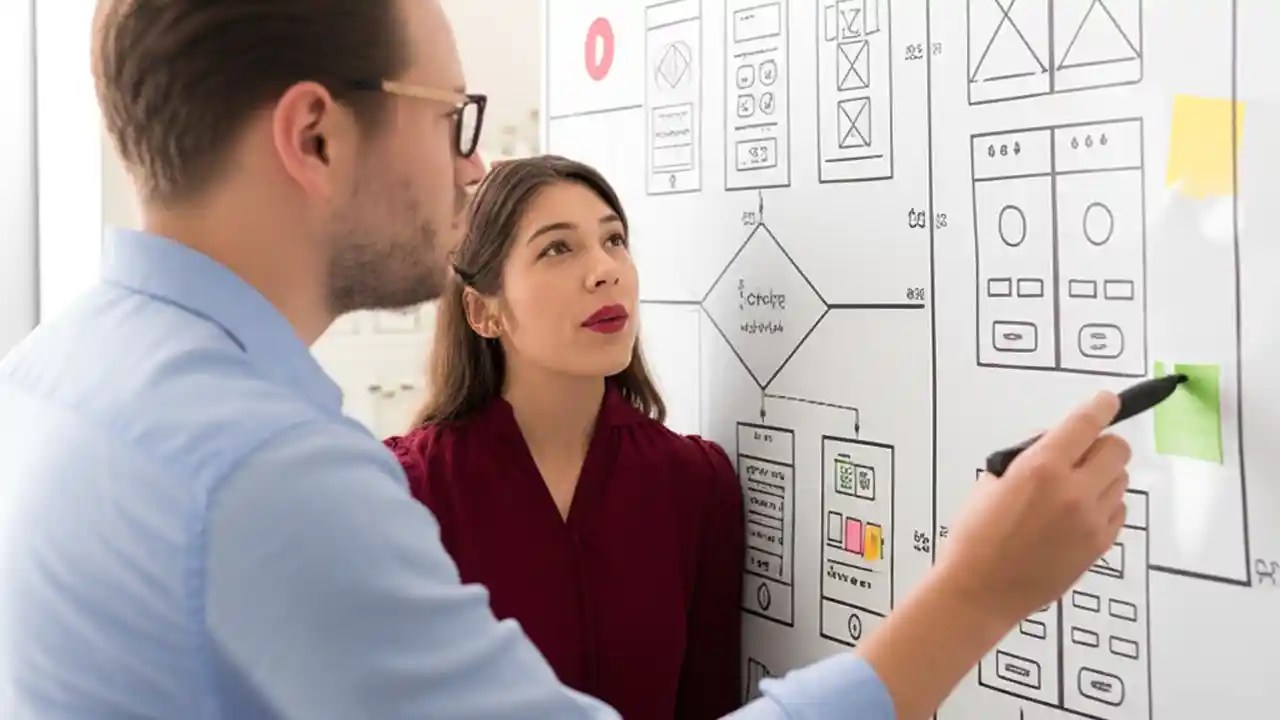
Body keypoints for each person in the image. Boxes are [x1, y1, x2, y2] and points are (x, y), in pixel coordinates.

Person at [0, 1, 1133, 718]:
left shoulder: (60, 375)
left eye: (613, 243)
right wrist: (980, 589)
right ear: (315, 136)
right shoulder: (267, 474)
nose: (467, 162)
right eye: (448, 115)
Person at [383, 155, 744, 719]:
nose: (606, 270)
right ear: (483, 312)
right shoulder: (404, 492)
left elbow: (711, 703)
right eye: (558, 248)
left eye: (614, 240)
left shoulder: (697, 483)